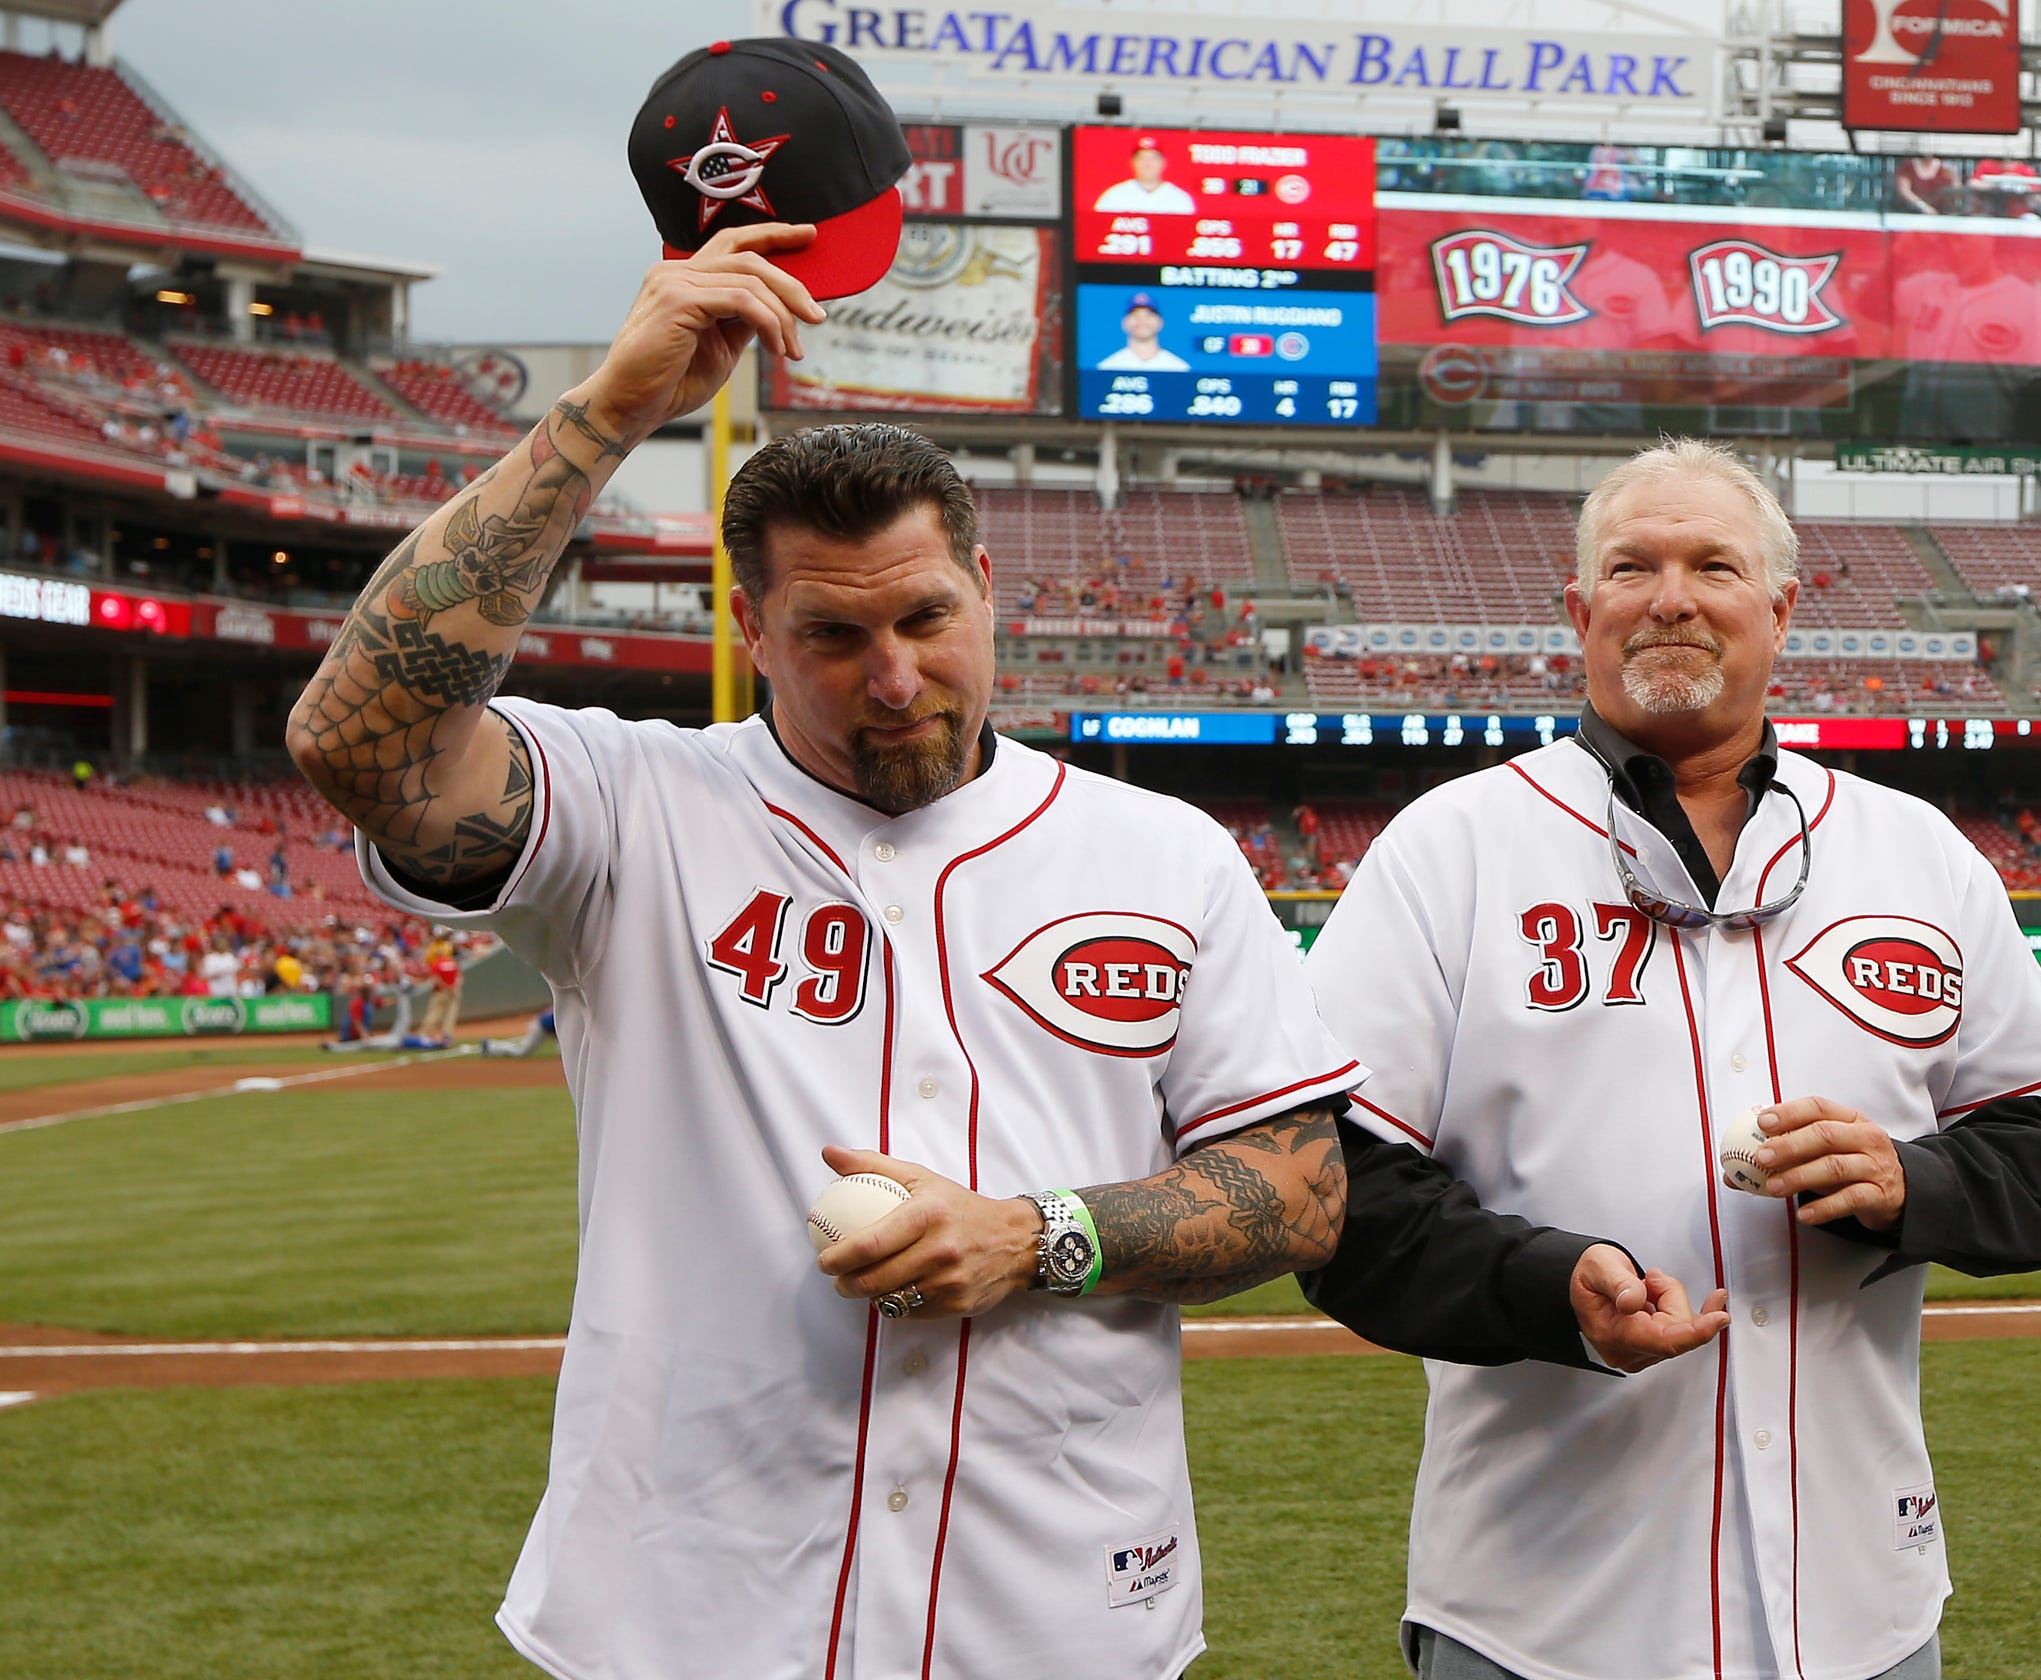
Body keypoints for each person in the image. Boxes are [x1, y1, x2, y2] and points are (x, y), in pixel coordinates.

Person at [285, 223, 1358, 1680]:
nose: (897, 675)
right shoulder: (630, 809)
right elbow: (359, 740)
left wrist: (1037, 1236)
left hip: (1051, 1609)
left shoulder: (1161, 855)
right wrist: (609, 412)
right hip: (688, 1609)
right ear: (751, 626)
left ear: (987, 584)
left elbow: (1296, 1198)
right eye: (835, 634)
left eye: (927, 616)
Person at [1297, 440, 2041, 1680]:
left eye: (1712, 565)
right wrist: (1547, 1285)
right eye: (1632, 566)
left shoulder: (1914, 853)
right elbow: (1330, 1189)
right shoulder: (1450, 849)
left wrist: (1912, 1186)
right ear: (1580, 612)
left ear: (1779, 609)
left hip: (1862, 1604)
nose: (1671, 595)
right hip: (1536, 1608)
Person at [1091, 137, 1196, 214]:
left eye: (1153, 158)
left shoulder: (1179, 198)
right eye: (1142, 158)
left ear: (1163, 162)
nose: (1148, 164)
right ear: (1133, 162)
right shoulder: (1114, 195)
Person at [1098, 293, 1190, 372]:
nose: (1142, 321)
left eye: (1149, 316)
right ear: (1124, 323)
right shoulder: (1108, 367)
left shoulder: (1178, 368)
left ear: (1160, 322)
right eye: (1136, 316)